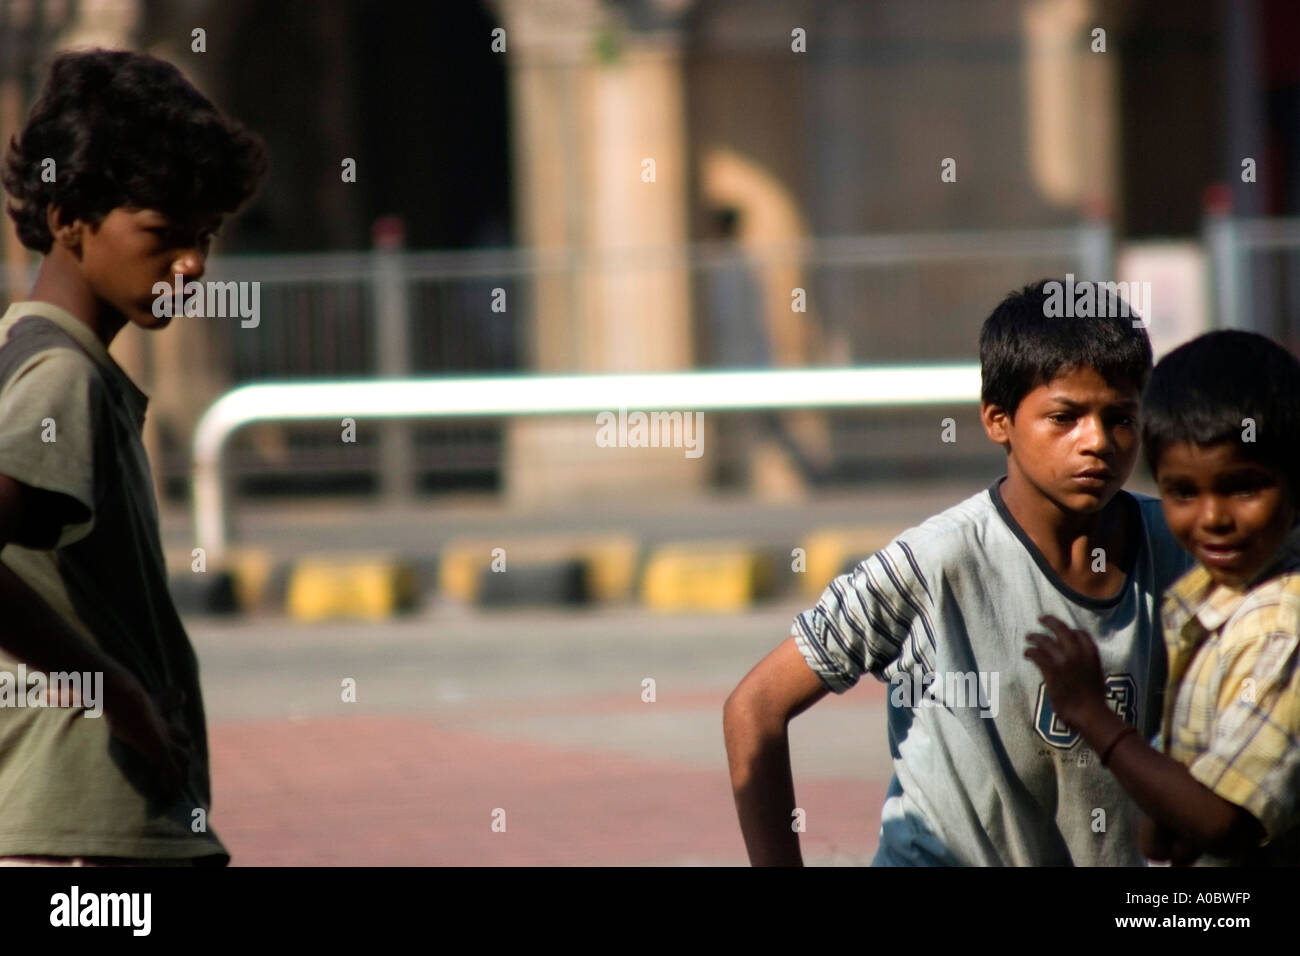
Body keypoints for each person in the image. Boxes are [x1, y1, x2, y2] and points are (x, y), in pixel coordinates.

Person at [724, 278, 1193, 865]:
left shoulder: (1180, 553)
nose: (1096, 441)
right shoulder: (935, 561)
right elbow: (755, 706)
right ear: (999, 421)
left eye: (1120, 417)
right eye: (1065, 417)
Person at [0, 49, 268, 865]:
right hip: (84, 835)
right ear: (67, 219)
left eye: (205, 237)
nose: (191, 266)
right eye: (162, 234)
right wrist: (112, 688)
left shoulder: (31, 353)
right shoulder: (62, 377)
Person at [1027, 330, 1300, 865]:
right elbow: (1167, 834)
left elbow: (1222, 821)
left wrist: (1093, 717)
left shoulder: (1279, 624)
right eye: (1182, 492)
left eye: (1244, 487)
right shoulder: (1203, 602)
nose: (1214, 518)